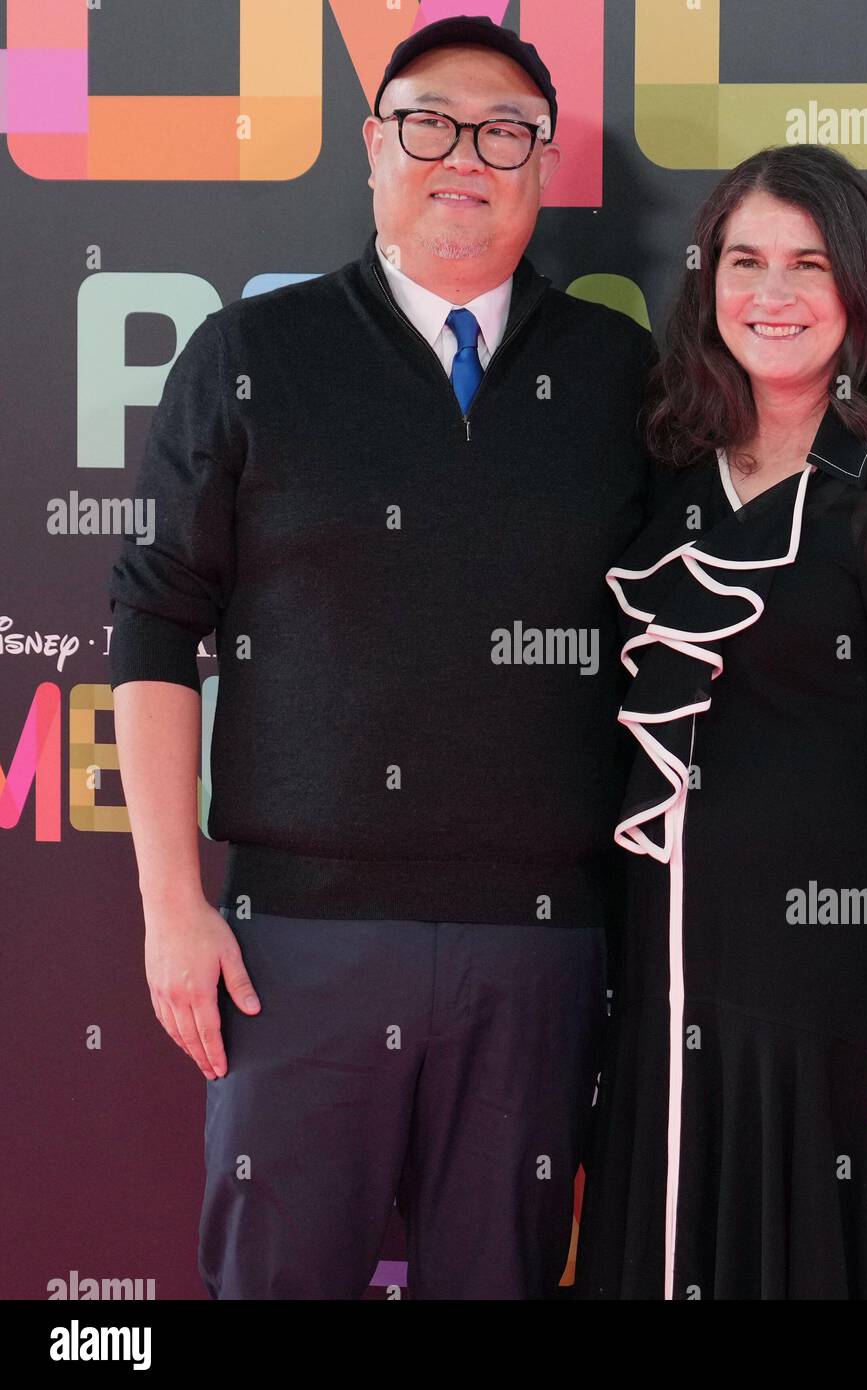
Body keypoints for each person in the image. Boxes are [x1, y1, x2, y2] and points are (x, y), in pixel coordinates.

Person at [107, 15, 656, 1300]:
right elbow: (152, 621)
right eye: (427, 121)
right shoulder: (254, 357)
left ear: (540, 167)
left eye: (505, 131)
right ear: (372, 147)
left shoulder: (618, 375)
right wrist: (169, 907)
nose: (463, 152)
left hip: (542, 947)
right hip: (293, 943)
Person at [574, 144, 867, 1301]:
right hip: (665, 983)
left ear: (859, 289)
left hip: (824, 989)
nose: (770, 295)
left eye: (807, 264)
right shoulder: (675, 475)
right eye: (744, 261)